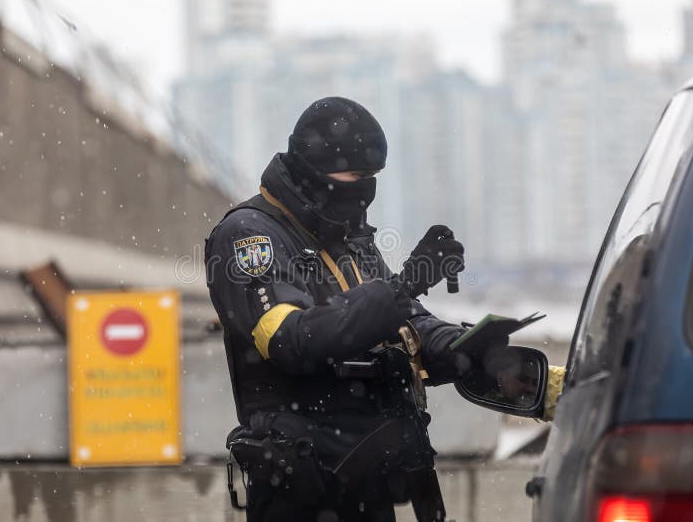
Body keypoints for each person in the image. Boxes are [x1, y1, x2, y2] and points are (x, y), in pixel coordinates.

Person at [205, 96, 509, 522]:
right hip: (301, 491)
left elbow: (403, 323)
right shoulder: (250, 237)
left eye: (373, 176)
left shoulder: (348, 237)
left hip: (369, 480)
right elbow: (291, 339)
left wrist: (465, 346)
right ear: (314, 171)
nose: (365, 187)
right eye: (356, 175)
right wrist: (405, 283)